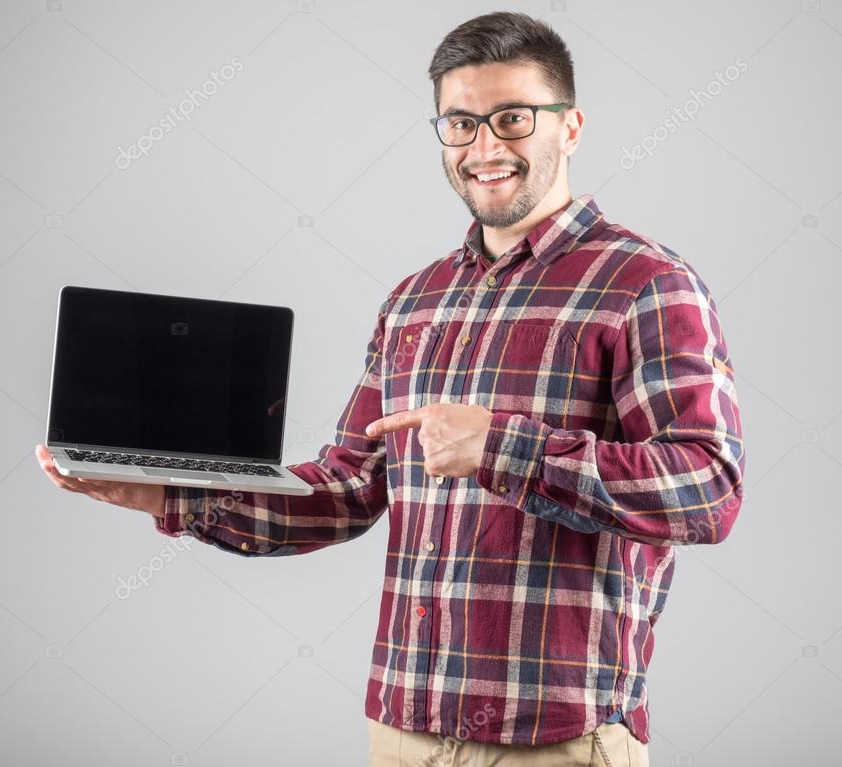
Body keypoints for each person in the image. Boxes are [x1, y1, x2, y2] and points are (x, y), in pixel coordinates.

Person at [37, 11, 745, 766]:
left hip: (556, 735)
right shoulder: (415, 300)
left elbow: (707, 490)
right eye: (460, 123)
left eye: (511, 119)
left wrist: (502, 446)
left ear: (568, 127)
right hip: (404, 728)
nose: (485, 147)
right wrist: (173, 497)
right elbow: (346, 491)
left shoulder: (645, 284)